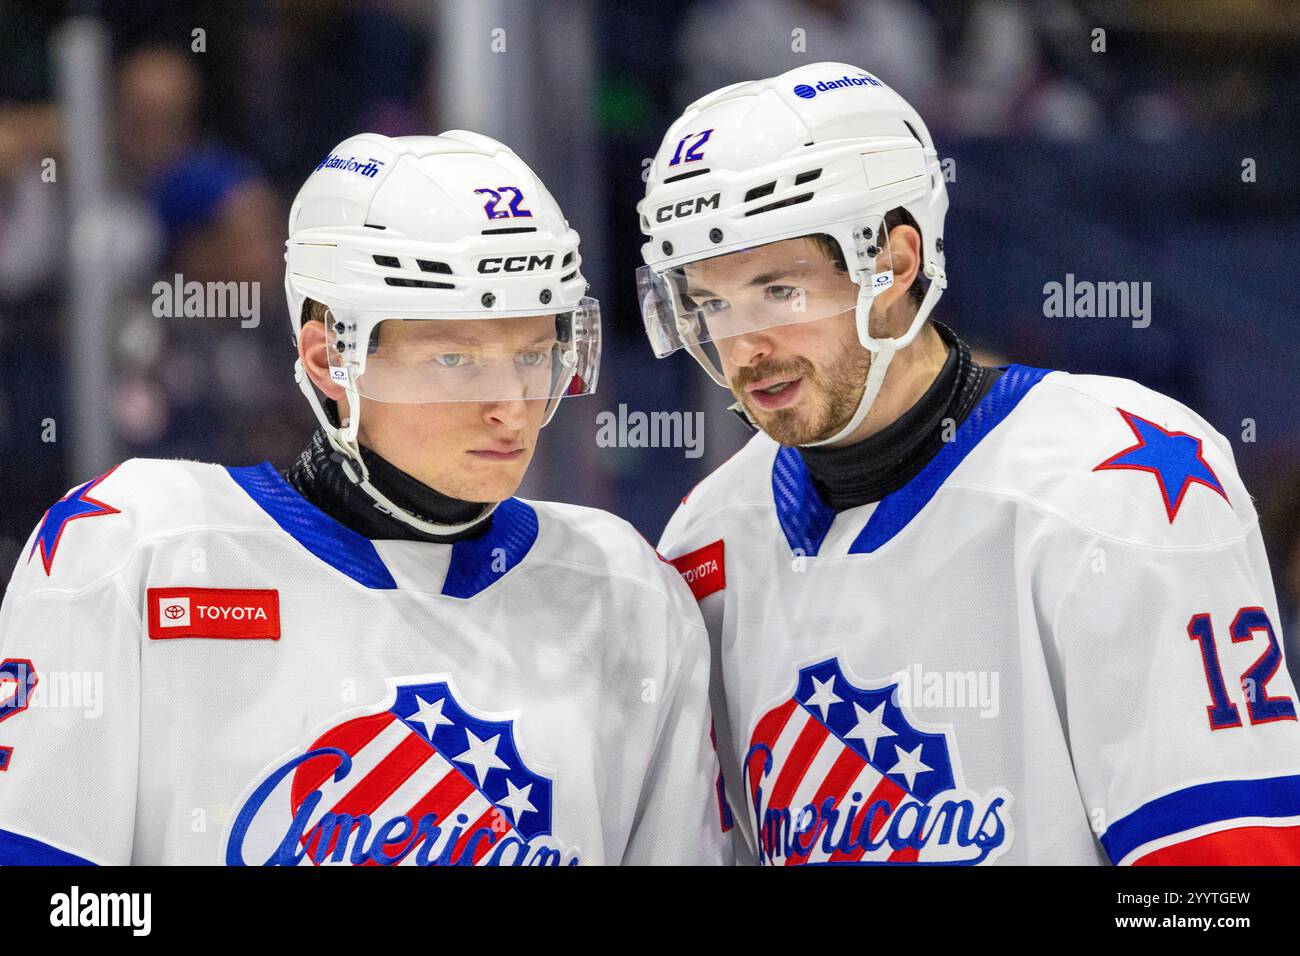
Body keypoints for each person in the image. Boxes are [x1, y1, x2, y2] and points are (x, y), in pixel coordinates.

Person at [638, 62, 1300, 865]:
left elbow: (1222, 884)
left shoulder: (1122, 478)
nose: (743, 346)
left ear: (895, 262)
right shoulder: (709, 540)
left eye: (778, 291)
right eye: (711, 303)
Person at [0, 131, 723, 866]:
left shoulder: (623, 589)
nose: (511, 405)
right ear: (329, 358)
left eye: (533, 354)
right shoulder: (137, 549)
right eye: (455, 359)